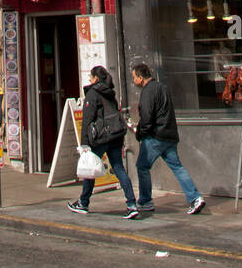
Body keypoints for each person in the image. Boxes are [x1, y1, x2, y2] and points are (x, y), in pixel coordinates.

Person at [131, 62, 205, 215]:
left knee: (142, 167)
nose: (134, 81)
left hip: (155, 137)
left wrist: (140, 132)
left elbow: (146, 116)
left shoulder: (148, 92)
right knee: (177, 167)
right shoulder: (162, 88)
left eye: (134, 78)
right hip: (169, 135)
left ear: (140, 77)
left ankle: (145, 201)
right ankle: (195, 197)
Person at [68, 66, 139, 219]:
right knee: (119, 169)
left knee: (90, 168)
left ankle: (83, 202)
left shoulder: (93, 94)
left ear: (95, 79)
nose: (89, 79)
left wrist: (84, 143)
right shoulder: (110, 92)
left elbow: (87, 119)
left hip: (100, 138)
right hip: (115, 136)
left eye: (91, 77)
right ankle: (132, 204)